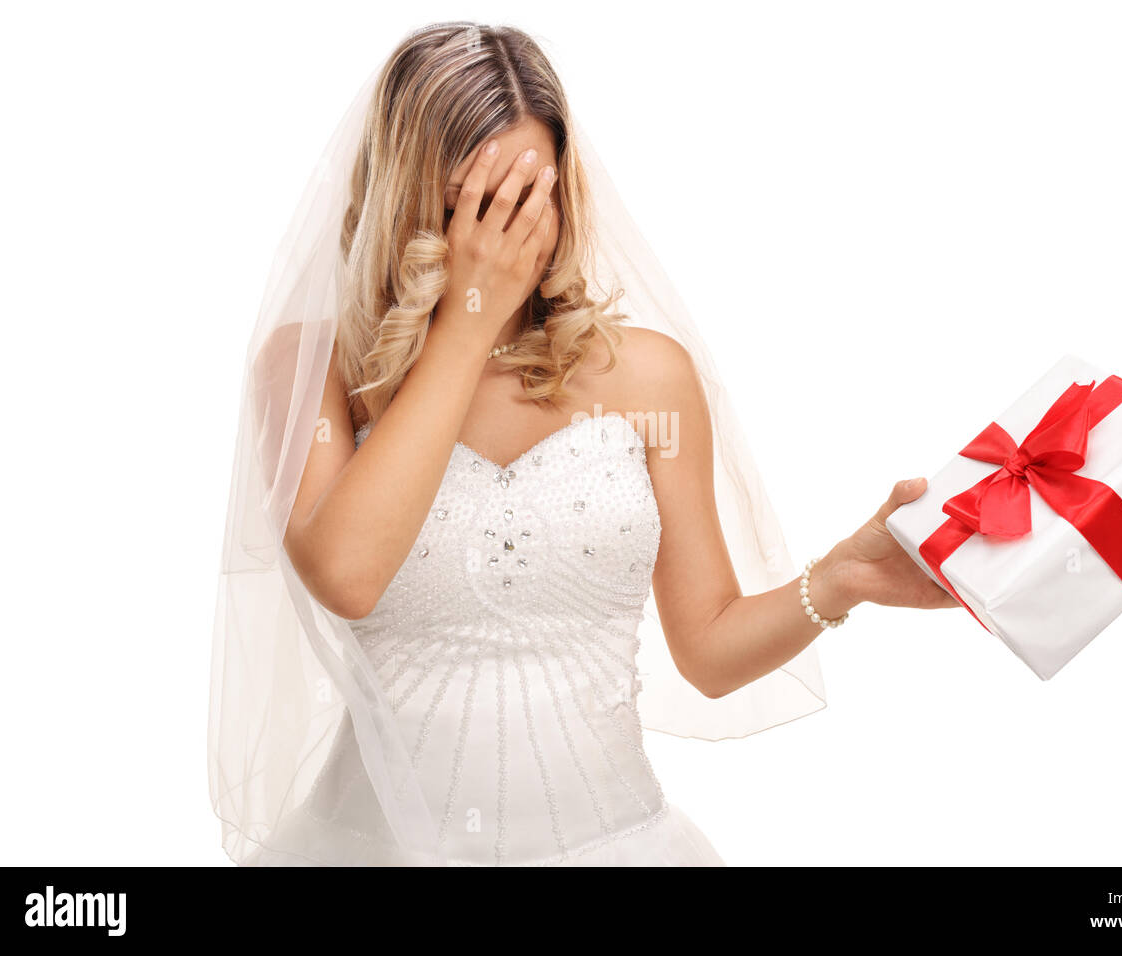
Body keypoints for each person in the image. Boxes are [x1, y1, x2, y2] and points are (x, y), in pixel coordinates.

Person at [210, 21, 954, 868]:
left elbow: (707, 649)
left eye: (531, 195)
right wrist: (469, 318)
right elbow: (345, 574)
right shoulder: (313, 370)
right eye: (479, 203)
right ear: (411, 199)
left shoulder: (647, 377)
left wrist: (844, 577)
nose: (509, 234)